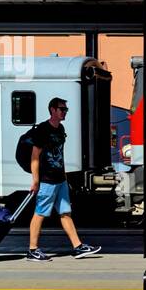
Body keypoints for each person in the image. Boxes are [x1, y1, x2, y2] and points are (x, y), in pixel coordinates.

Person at [26, 97, 101, 261]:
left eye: (66, 110)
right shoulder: (42, 130)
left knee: (65, 213)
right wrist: (36, 181)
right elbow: (35, 157)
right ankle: (32, 250)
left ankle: (78, 246)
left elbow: (60, 155)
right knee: (40, 213)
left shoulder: (60, 129)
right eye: (62, 109)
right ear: (52, 110)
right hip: (46, 181)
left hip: (60, 180)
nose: (65, 112)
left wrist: (65, 176)